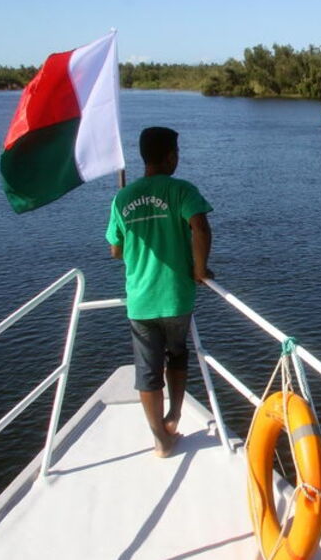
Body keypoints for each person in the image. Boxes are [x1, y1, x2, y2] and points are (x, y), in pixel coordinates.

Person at [106, 126, 213, 458]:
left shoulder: (123, 198)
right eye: (176, 153)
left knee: (147, 370)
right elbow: (200, 226)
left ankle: (160, 440)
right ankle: (174, 416)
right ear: (170, 155)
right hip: (177, 296)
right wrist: (199, 268)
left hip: (140, 300)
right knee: (177, 355)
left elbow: (115, 250)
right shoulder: (182, 190)